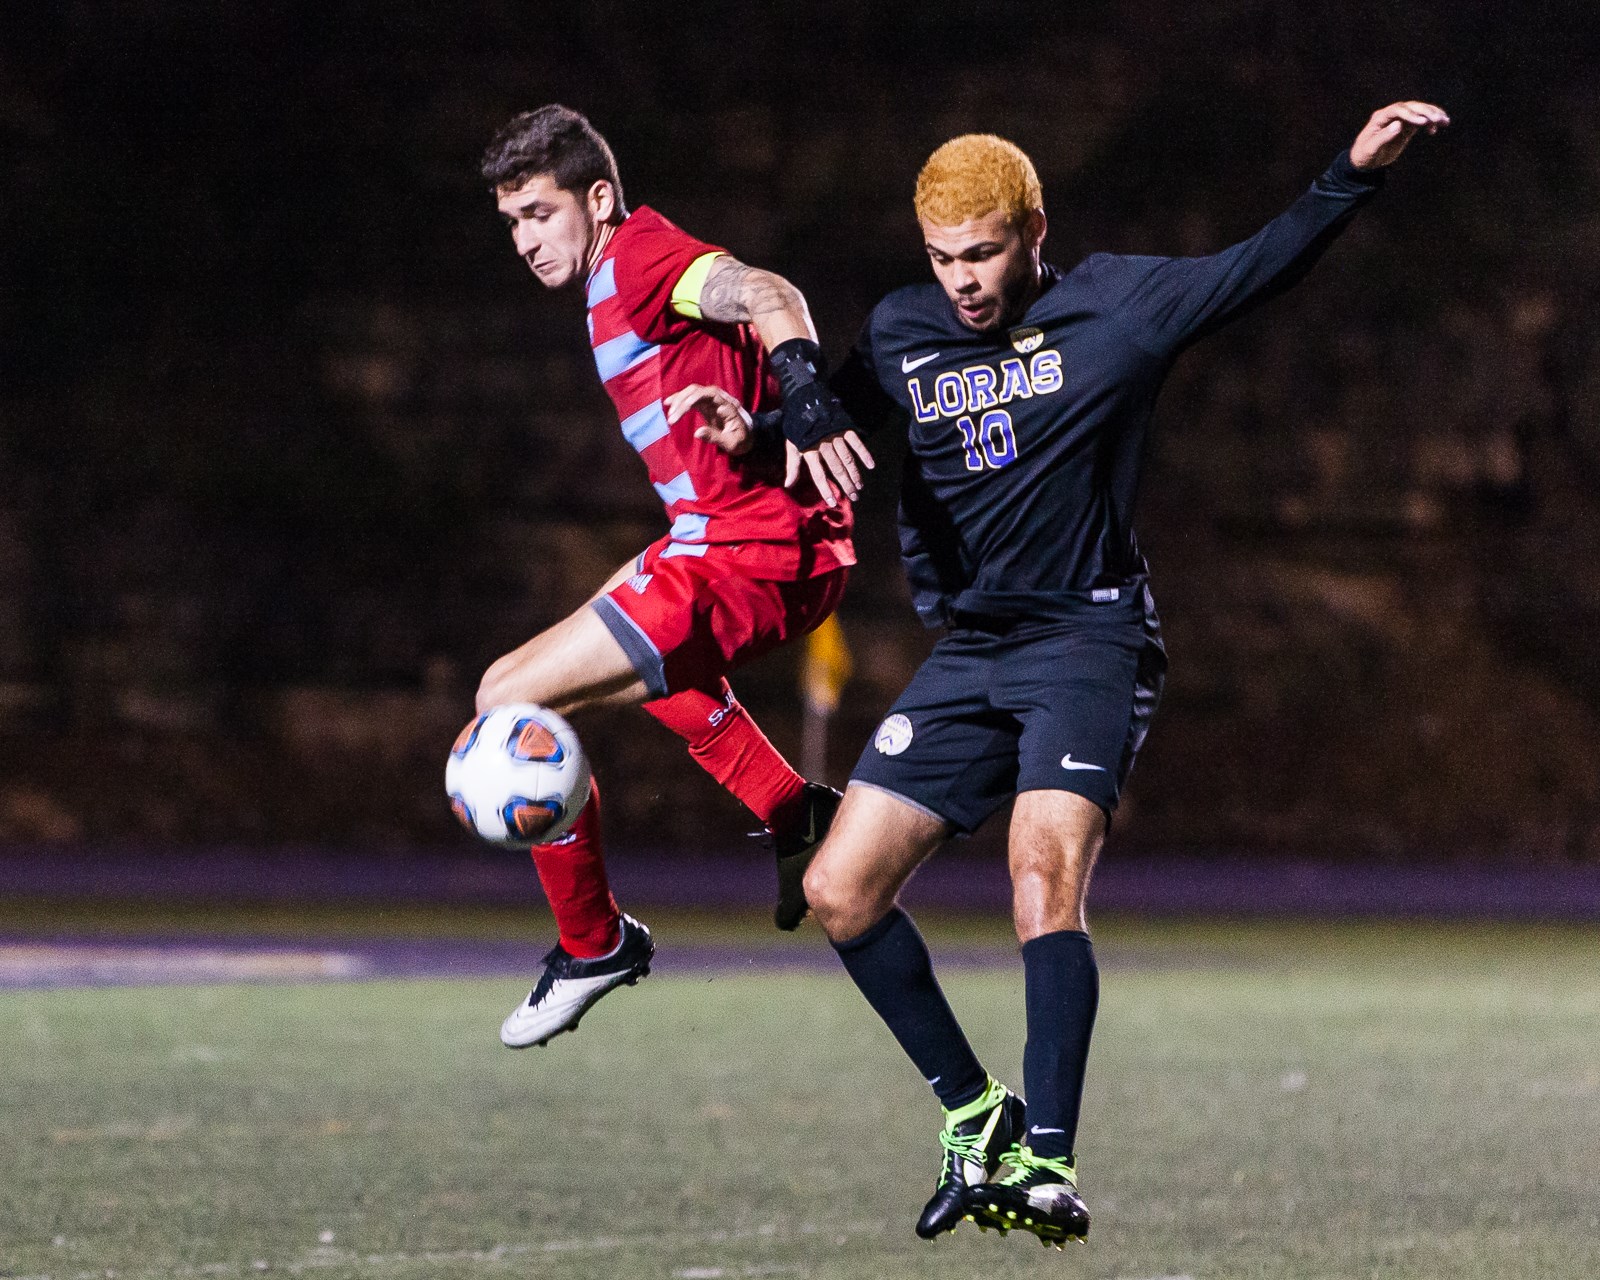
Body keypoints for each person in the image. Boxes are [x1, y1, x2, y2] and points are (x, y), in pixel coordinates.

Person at [786, 101, 1450, 1245]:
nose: (964, 282)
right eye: (944, 258)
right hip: (973, 651)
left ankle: (1047, 1155)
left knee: (1038, 870)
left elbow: (1258, 267)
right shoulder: (901, 331)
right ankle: (977, 1111)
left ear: (1033, 229)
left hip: (1086, 639)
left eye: (984, 252)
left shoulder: (1118, 306)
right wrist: (754, 420)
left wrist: (1350, 171)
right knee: (836, 893)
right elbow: (824, 421)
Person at [472, 104, 874, 1051]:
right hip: (730, 540)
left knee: (508, 701)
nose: (527, 241)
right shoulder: (608, 283)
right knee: (607, 635)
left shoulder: (639, 259)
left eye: (540, 213)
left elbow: (767, 291)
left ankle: (592, 943)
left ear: (597, 198)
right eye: (513, 224)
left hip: (756, 553)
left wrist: (807, 397)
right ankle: (792, 809)